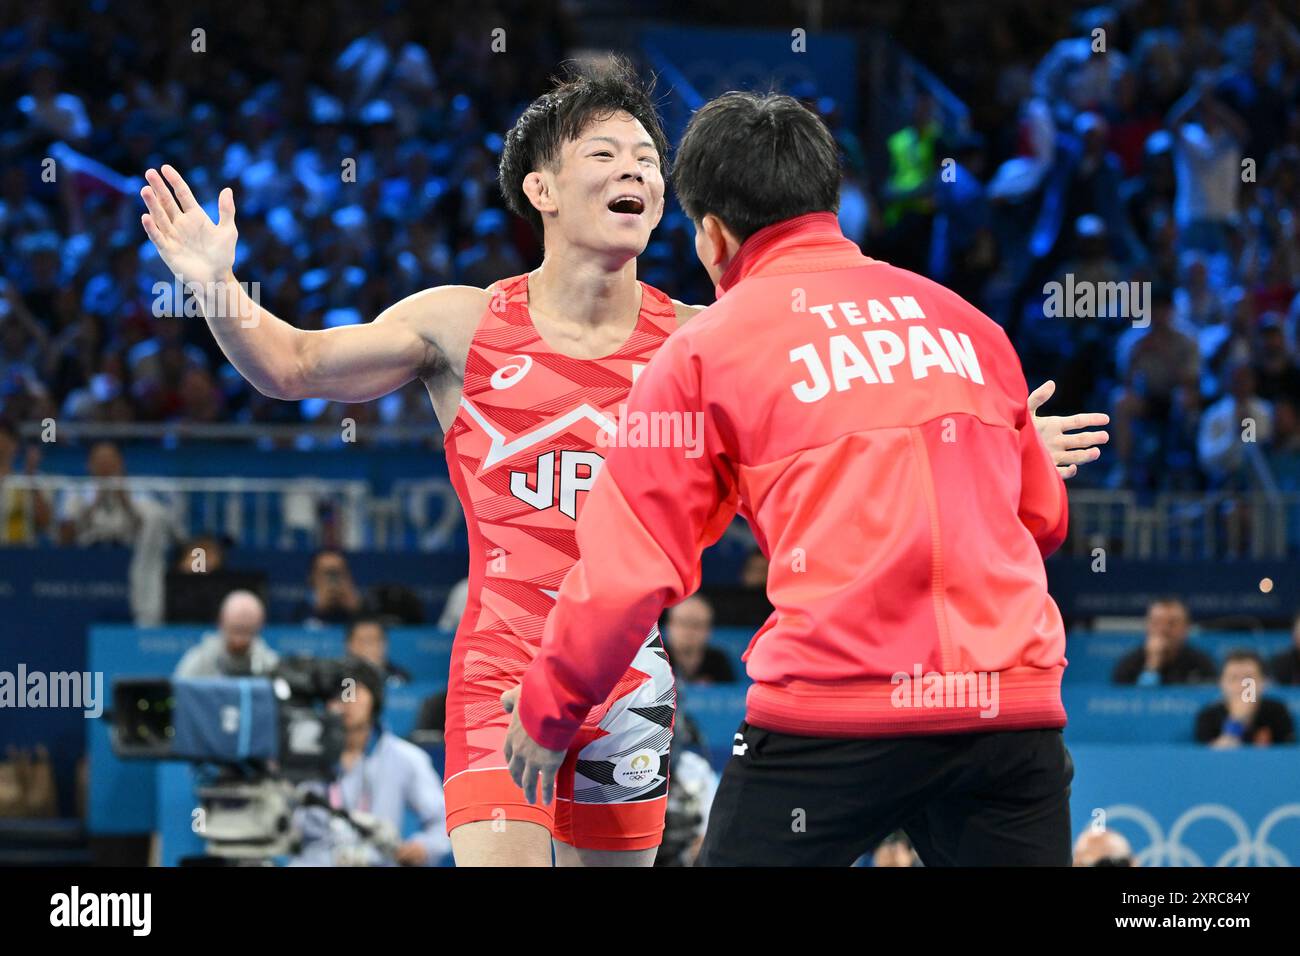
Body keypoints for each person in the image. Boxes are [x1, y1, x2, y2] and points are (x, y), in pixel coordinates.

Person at [141, 60, 1105, 866]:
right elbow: (293, 365)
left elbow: (857, 421)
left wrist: (985, 443)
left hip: (632, 687)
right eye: (604, 152)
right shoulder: (462, 322)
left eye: (648, 157)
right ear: (542, 189)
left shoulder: (708, 338)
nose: (634, 167)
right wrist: (218, 289)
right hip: (504, 666)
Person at [504, 92, 1096, 866]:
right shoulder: (967, 326)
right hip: (1008, 718)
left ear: (713, 236)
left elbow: (631, 568)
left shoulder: (705, 350)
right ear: (830, 201)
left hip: (834, 721)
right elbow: (1043, 521)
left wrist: (551, 708)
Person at [292, 656, 450, 866]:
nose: (346, 701)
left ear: (374, 699)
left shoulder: (405, 758)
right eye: (338, 694)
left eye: (353, 691)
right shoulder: (304, 756)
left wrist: (424, 847)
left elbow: (443, 820)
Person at [1194, 650, 1296, 747]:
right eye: (1233, 678)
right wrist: (1236, 720)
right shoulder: (1208, 716)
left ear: (1263, 682)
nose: (1242, 685)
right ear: (1221, 683)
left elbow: (1286, 754)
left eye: (1248, 678)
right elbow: (1211, 759)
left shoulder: (1277, 712)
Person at [174, 589, 278, 678]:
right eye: (236, 629)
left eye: (247, 630)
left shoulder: (270, 665)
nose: (240, 639)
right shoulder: (198, 662)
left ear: (260, 626)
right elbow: (179, 695)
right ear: (221, 622)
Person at [1111, 598, 1217, 685]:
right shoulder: (1129, 664)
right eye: (1157, 623)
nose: (1164, 630)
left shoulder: (1202, 663)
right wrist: (1152, 665)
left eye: (1172, 623)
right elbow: (1133, 703)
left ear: (1186, 627)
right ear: (1147, 626)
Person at [663, 594, 734, 684]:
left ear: (709, 630)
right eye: (683, 623)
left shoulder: (719, 662)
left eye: (697, 625)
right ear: (669, 625)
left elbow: (731, 694)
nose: (689, 631)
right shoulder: (654, 658)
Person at [345, 616, 412, 685]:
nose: (370, 646)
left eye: (375, 639)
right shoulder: (338, 679)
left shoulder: (400, 678)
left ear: (385, 644)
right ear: (350, 645)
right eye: (364, 640)